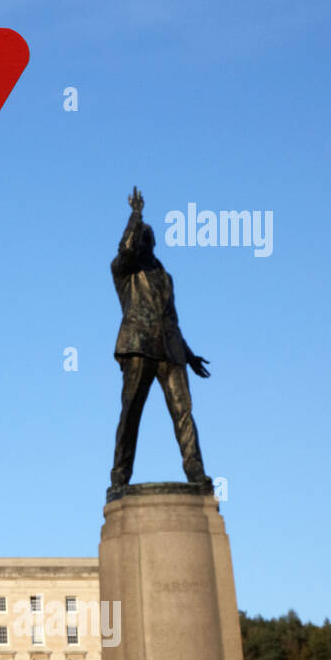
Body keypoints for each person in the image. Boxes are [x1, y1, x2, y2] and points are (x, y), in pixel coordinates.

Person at [110, 187, 211, 494]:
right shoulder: (124, 271)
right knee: (131, 413)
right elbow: (125, 249)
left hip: (170, 350)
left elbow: (171, 319)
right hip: (138, 346)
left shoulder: (165, 277)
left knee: (184, 412)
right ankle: (120, 475)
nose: (145, 242)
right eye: (141, 237)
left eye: (148, 238)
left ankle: (196, 471)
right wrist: (136, 215)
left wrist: (189, 355)